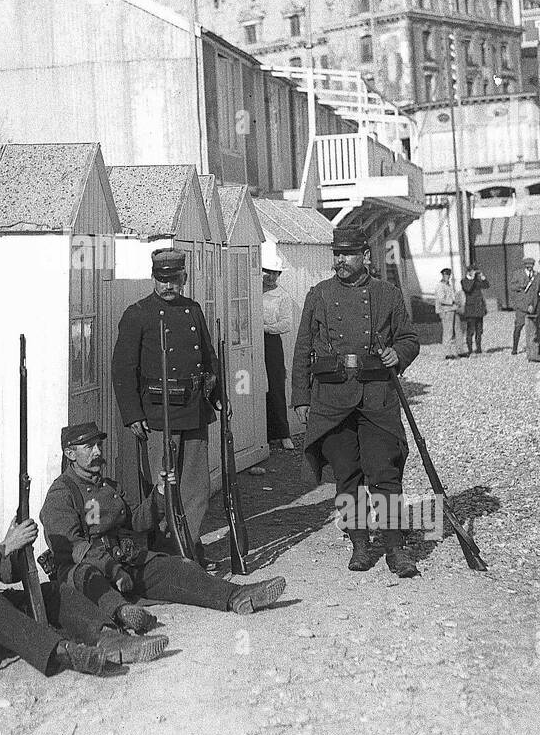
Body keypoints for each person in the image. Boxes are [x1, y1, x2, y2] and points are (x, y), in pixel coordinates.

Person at [0, 452, 167, 676]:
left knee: (53, 592)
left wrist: (20, 553)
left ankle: (110, 638)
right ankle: (66, 653)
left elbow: (6, 572)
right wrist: (5, 547)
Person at [39, 422, 285, 629]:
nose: (97, 451)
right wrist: (112, 570)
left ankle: (236, 596)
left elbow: (138, 521)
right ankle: (124, 615)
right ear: (70, 454)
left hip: (121, 560)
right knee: (91, 579)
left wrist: (159, 492)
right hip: (84, 569)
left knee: (176, 568)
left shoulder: (109, 486)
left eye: (99, 445)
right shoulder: (62, 493)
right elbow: (74, 547)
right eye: (88, 447)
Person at [290, 226, 422, 577]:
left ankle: (395, 547)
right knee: (347, 477)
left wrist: (399, 353)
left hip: (377, 395)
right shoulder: (318, 295)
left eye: (347, 254)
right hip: (332, 398)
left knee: (385, 473)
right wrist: (300, 398)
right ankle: (360, 543)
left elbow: (410, 338)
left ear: (365, 256)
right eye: (336, 254)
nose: (340, 261)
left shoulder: (387, 294)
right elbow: (302, 349)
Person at [111, 247, 221, 560]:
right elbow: (122, 368)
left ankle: (187, 545)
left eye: (173, 279)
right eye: (161, 279)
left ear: (184, 277)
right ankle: (161, 549)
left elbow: (208, 357)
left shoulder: (193, 309)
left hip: (194, 409)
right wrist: (132, 413)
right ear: (154, 277)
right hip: (157, 413)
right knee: (162, 483)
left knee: (195, 486)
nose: (167, 286)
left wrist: (218, 395)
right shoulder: (138, 313)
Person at [261, 243, 295, 450]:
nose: (271, 277)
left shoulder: (282, 296)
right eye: (268, 272)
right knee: (248, 385)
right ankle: (261, 433)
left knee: (276, 385)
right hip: (250, 342)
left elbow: (286, 324)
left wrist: (265, 327)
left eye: (275, 273)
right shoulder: (250, 290)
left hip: (271, 342)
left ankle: (283, 433)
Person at [508, 256, 538, 355]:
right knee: (518, 327)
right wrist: (521, 286)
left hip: (532, 305)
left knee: (534, 328)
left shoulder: (536, 275)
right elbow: (512, 286)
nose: (530, 267)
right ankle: (515, 348)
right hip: (521, 305)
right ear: (524, 265)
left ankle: (533, 348)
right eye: (527, 265)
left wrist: (533, 305)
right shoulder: (517, 274)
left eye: (531, 265)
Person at [461, 264, 490, 354]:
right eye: (473, 271)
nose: (474, 273)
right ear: (469, 272)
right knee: (470, 331)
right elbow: (468, 289)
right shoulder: (464, 281)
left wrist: (483, 277)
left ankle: (478, 348)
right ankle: (470, 349)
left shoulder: (476, 280)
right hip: (471, 310)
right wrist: (472, 278)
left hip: (479, 309)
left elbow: (486, 285)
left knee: (479, 330)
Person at [435, 267, 463, 359]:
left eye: (448, 275)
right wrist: (452, 301)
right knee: (448, 332)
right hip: (446, 310)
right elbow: (441, 299)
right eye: (446, 275)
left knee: (457, 330)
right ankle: (448, 353)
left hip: (453, 309)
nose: (447, 277)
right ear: (443, 275)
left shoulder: (449, 285)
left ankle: (459, 351)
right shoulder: (440, 286)